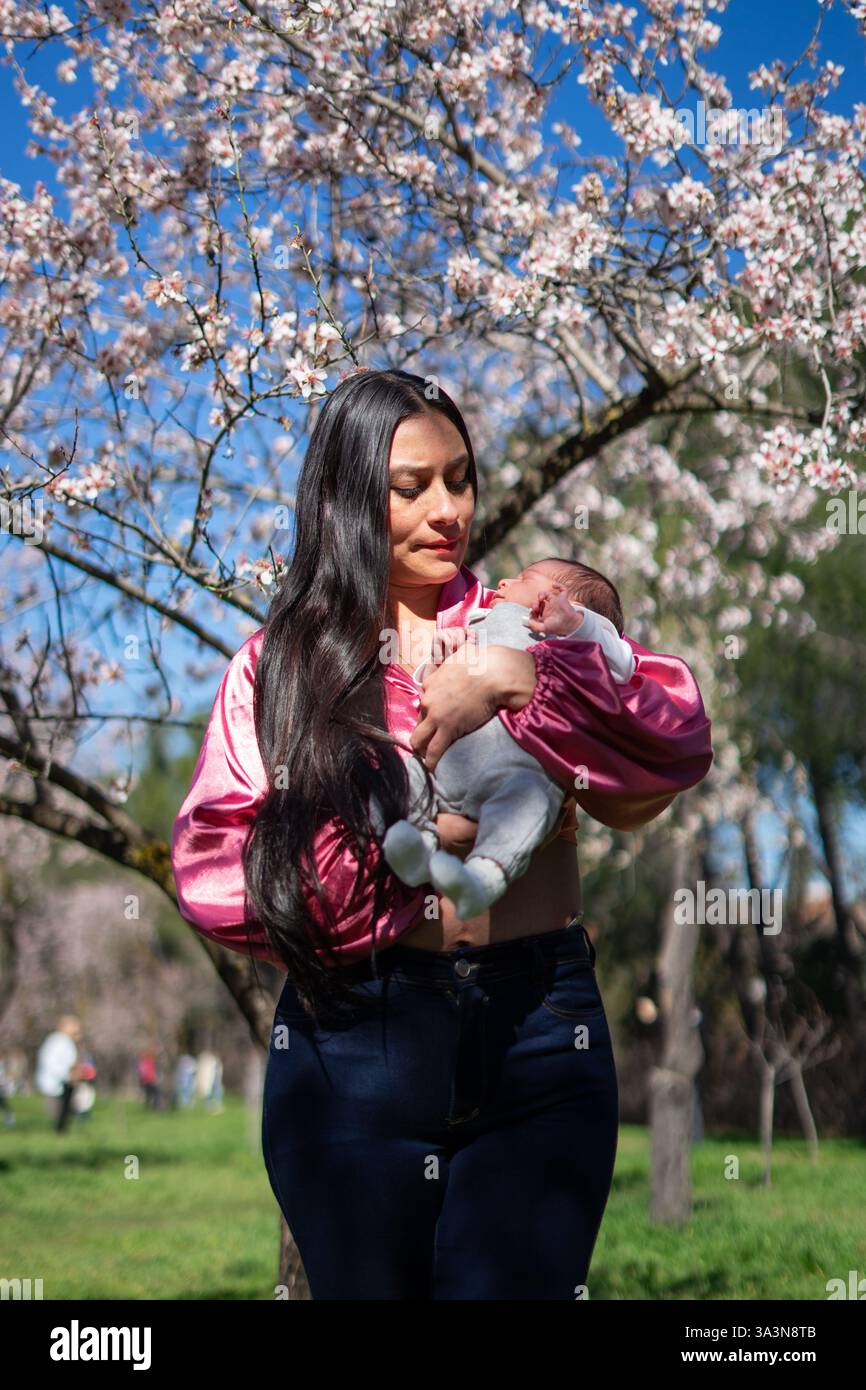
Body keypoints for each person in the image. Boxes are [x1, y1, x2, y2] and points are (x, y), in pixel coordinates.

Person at [170, 366, 713, 1300]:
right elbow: (219, 875)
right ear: (346, 497)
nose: (448, 510)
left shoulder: (532, 621)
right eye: (411, 486)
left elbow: (664, 756)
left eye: (459, 479)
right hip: (356, 1042)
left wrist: (522, 682)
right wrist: (401, 856)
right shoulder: (280, 672)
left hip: (538, 1028)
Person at [381, 558, 636, 918]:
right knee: (406, 775)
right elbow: (436, 690)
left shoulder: (579, 636)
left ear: (559, 595)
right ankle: (415, 843)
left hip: (519, 771)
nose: (502, 582)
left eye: (523, 578)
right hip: (449, 765)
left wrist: (577, 622)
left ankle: (484, 876)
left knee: (530, 805)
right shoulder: (479, 621)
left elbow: (622, 665)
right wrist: (443, 655)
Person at [34, 1016, 83, 1133]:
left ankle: (60, 1133)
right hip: (54, 1082)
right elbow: (50, 1063)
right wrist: (67, 1075)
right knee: (57, 1112)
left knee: (66, 1111)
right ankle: (58, 1133)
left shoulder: (66, 1041)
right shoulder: (57, 1041)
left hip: (63, 1082)